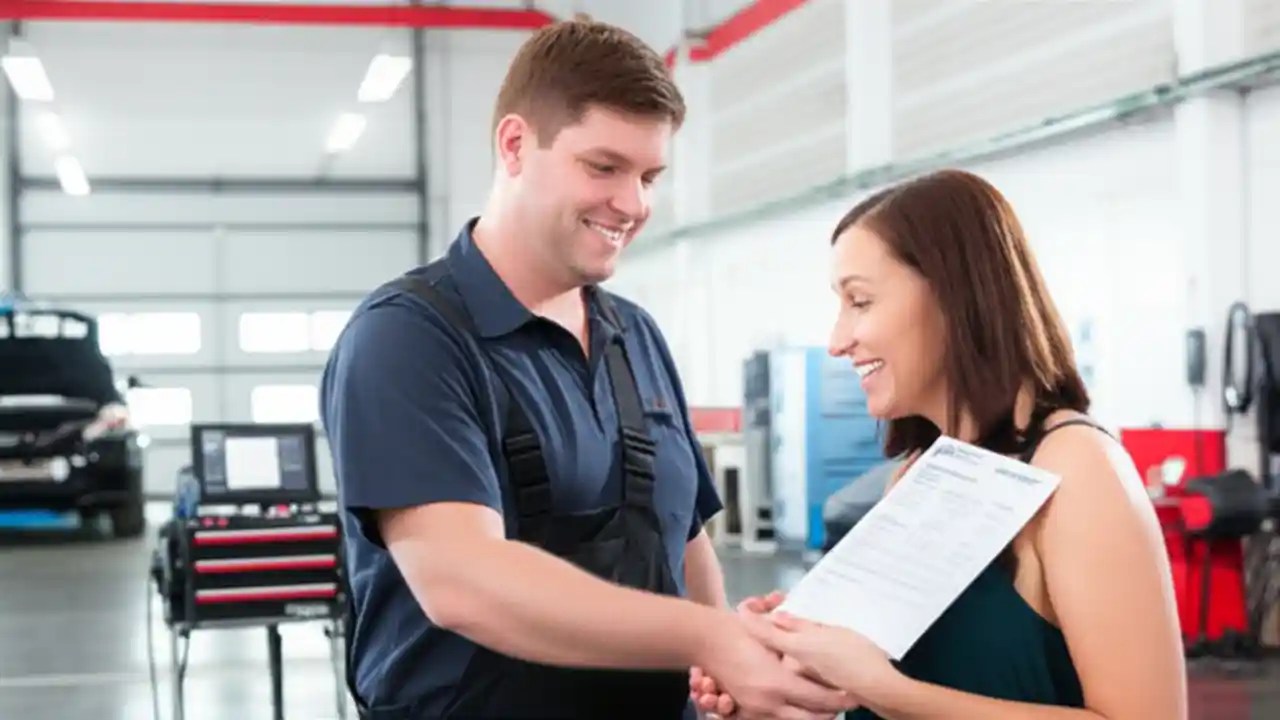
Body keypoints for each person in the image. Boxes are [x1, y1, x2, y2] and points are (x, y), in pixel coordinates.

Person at [320, 16, 850, 720]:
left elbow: (683, 541)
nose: (632, 204)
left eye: (649, 175)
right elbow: (462, 582)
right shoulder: (406, 341)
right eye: (603, 167)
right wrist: (713, 637)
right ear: (515, 145)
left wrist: (728, 677)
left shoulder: (636, 335)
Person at [692, 169, 1188, 719]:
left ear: (954, 295)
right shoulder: (918, 473)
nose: (837, 341)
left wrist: (881, 686)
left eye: (860, 301)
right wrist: (794, 670)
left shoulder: (1077, 470)